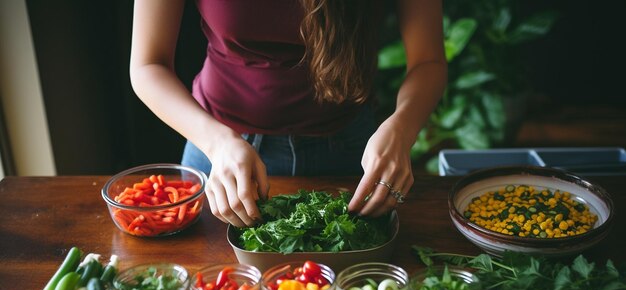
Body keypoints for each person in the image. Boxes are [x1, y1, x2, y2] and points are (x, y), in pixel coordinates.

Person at [130, 0, 447, 227]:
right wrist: (217, 144)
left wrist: (403, 129)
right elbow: (148, 66)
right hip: (221, 157)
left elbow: (427, 61)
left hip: (352, 154)